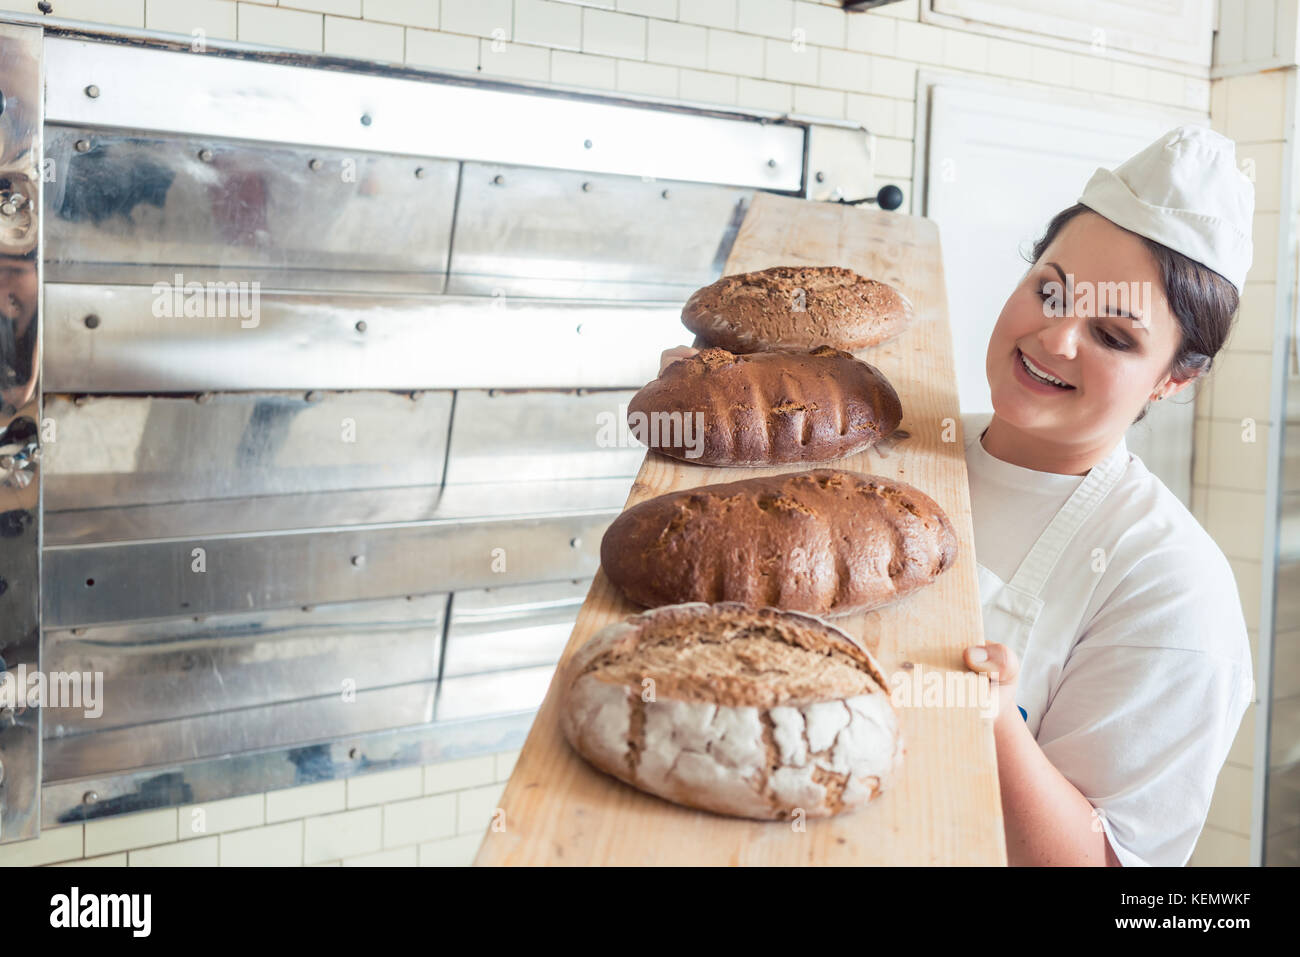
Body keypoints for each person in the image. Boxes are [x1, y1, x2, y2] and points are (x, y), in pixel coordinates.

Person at [658, 125, 1255, 867]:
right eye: (1050, 290)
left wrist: (992, 717)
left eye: (1112, 334)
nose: (1054, 337)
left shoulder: (1172, 585)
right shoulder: (889, 438)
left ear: (1176, 377)